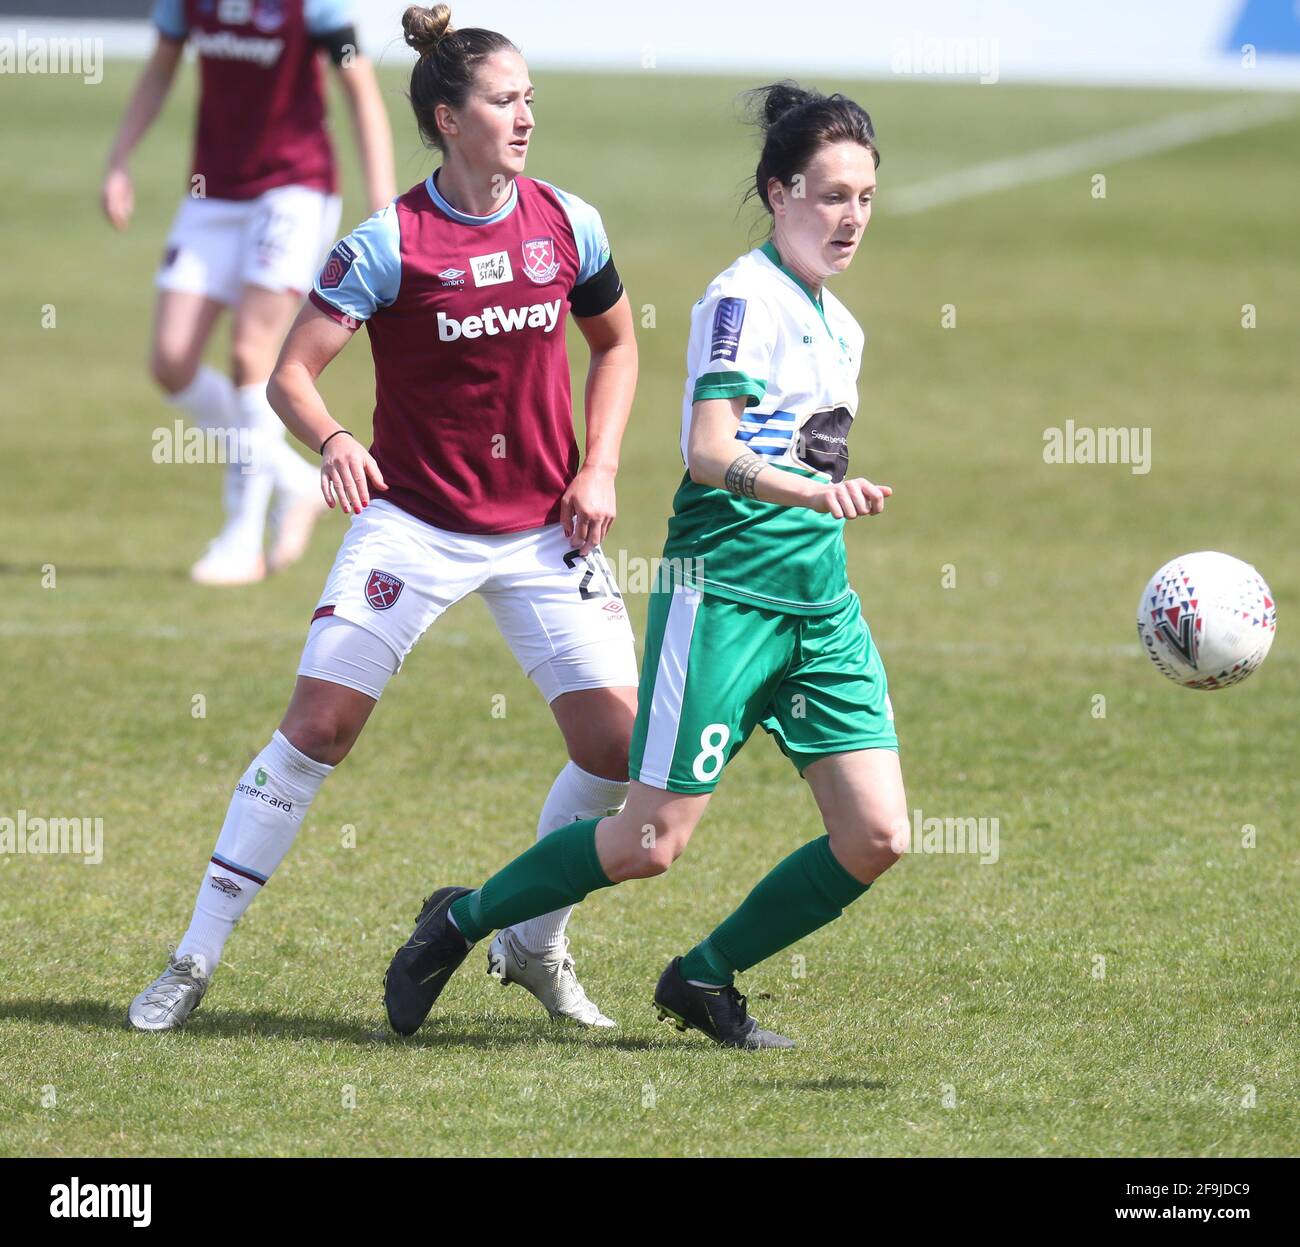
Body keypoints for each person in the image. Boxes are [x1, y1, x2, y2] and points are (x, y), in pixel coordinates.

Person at [128, 4, 639, 1032]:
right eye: (505, 100)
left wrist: (601, 467)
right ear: (449, 118)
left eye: (529, 97)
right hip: (413, 523)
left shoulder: (569, 222)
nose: (526, 115)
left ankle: (530, 943)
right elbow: (290, 375)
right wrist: (332, 441)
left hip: (546, 530)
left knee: (618, 751)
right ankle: (193, 956)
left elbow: (616, 345)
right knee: (318, 727)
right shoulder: (387, 243)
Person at [383, 81, 907, 1050]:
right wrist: (808, 492)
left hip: (818, 608)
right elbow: (710, 449)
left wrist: (821, 514)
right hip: (721, 600)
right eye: (831, 194)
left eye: (865, 198)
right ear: (778, 190)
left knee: (877, 835)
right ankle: (457, 920)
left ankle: (702, 976)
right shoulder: (741, 300)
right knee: (645, 843)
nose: (851, 217)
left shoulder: (843, 326)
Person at [103, 0, 396, 585]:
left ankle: (241, 536)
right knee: (171, 361)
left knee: (250, 356)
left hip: (293, 189)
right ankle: (292, 482)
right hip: (212, 192)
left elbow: (357, 86)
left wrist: (384, 204)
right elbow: (161, 67)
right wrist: (119, 159)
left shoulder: (314, 7)